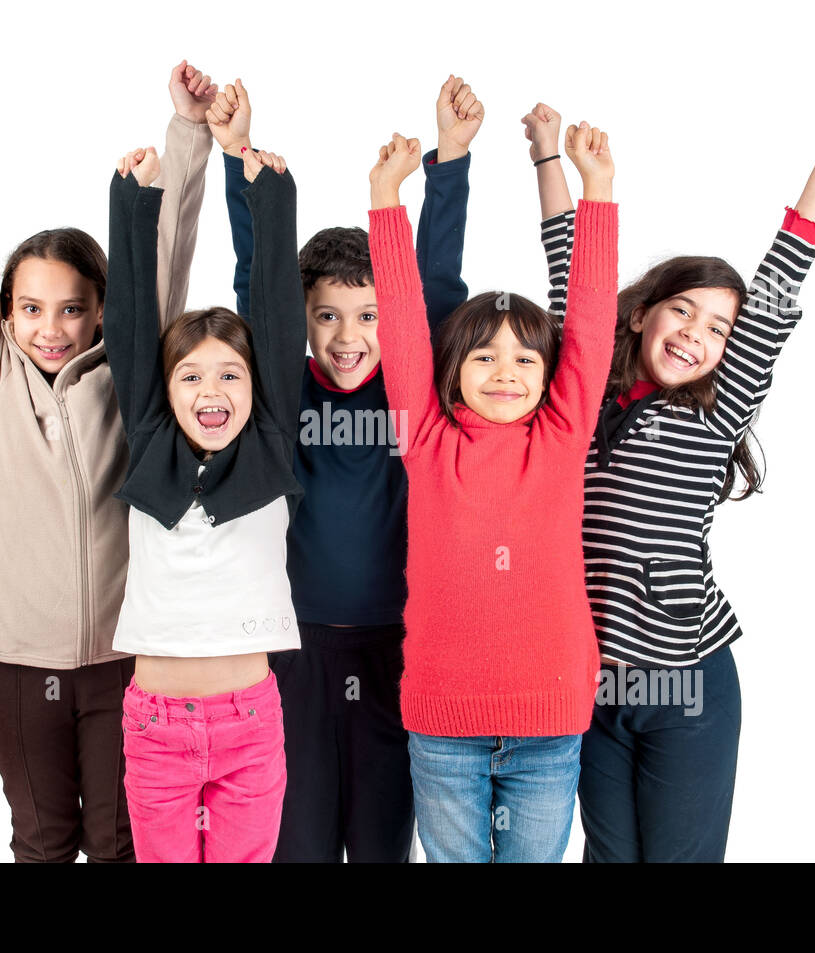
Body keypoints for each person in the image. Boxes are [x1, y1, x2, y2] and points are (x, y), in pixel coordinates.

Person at [0, 41, 216, 861]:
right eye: (31, 307)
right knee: (41, 839)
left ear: (101, 310)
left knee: (120, 840)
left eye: (72, 308)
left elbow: (165, 261)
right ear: (5, 313)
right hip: (18, 656)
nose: (51, 327)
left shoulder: (131, 373)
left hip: (124, 655)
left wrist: (187, 133)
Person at [535, 101, 815, 862]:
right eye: (682, 311)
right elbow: (569, 274)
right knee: (610, 856)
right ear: (638, 316)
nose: (696, 333)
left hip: (687, 683)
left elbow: (777, 290)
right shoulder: (578, 393)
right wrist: (548, 159)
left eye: (718, 328)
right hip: (591, 686)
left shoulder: (716, 410)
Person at [206, 76, 482, 862]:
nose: (347, 336)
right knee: (297, 840)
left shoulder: (410, 392)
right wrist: (239, 159)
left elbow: (435, 290)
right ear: (301, 318)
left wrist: (450, 160)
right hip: (293, 651)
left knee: (382, 840)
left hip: (398, 648)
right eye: (326, 315)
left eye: (368, 316)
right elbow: (255, 286)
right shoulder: (282, 391)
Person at [365, 123, 617, 862]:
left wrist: (599, 190)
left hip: (550, 722)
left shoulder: (563, 435)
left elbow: (592, 325)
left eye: (524, 359)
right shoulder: (425, 439)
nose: (505, 371)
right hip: (444, 725)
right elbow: (403, 324)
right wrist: (385, 198)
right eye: (483, 356)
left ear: (548, 374)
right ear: (453, 369)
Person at [106, 138, 307, 862]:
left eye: (230, 374)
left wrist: (269, 197)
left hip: (249, 724)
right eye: (191, 376)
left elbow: (278, 318)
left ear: (255, 386)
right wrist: (134, 204)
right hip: (154, 726)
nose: (211, 391)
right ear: (165, 392)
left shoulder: (269, 444)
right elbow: (131, 325)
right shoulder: (149, 439)